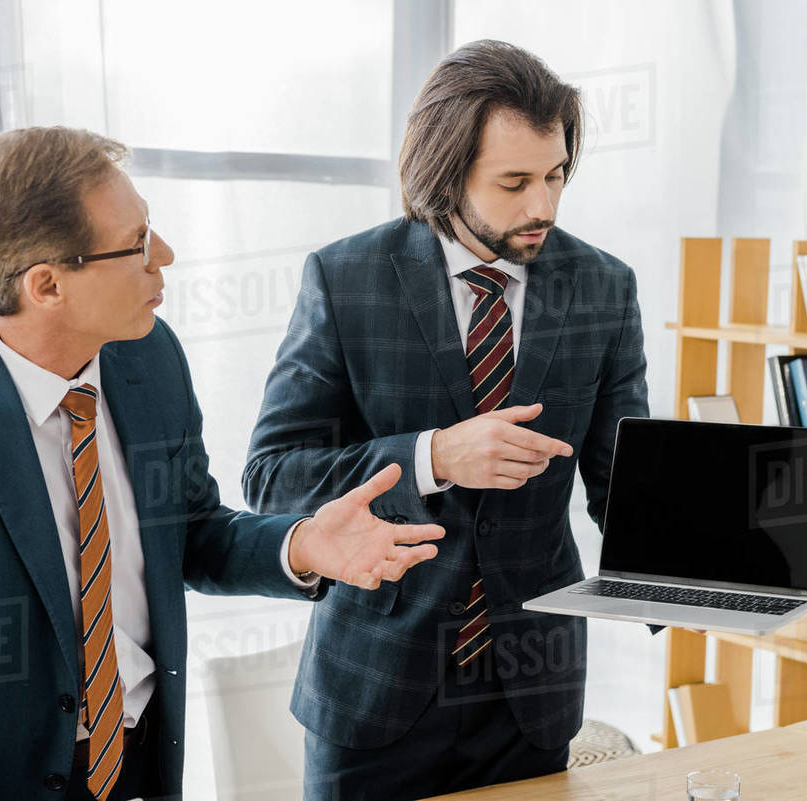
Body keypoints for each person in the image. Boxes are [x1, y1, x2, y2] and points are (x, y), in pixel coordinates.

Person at [0, 126, 444, 801]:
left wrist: (303, 543)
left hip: (140, 765)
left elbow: (195, 531)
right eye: (137, 242)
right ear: (47, 285)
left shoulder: (147, 355)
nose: (165, 255)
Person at [243, 39, 649, 800]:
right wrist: (433, 456)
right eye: (515, 182)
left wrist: (705, 567)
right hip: (372, 692)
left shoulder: (605, 287)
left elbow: (621, 483)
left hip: (530, 696)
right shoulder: (344, 278)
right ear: (445, 173)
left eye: (557, 173)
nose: (545, 206)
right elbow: (273, 477)